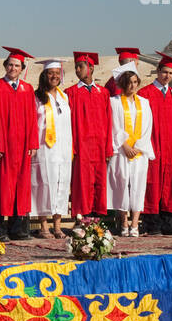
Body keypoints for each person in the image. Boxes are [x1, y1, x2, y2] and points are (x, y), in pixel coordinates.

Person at [0, 47, 39, 241]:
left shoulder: (27, 89)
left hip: (23, 147)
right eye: (10, 64)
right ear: (5, 66)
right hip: (4, 147)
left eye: (16, 65)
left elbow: (32, 118)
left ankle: (19, 229)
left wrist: (33, 143)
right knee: (2, 187)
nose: (13, 68)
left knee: (21, 187)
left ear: (22, 68)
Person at [107, 70, 155, 237]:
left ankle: (135, 223)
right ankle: (124, 222)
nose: (132, 85)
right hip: (121, 150)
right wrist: (124, 145)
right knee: (121, 184)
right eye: (129, 82)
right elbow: (113, 126)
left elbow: (148, 127)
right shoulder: (113, 102)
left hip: (139, 152)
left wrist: (139, 146)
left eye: (135, 82)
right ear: (122, 84)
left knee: (138, 185)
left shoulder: (144, 102)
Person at [65, 51, 112, 220]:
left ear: (91, 68)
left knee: (99, 183)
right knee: (82, 184)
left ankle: (97, 221)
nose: (77, 70)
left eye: (81, 66)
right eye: (76, 67)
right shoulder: (70, 93)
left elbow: (109, 122)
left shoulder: (103, 93)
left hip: (99, 147)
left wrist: (108, 149)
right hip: (81, 146)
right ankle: (81, 219)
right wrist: (72, 148)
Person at [30, 59, 72, 240]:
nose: (54, 76)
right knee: (44, 186)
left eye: (57, 73)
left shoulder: (64, 97)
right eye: (50, 73)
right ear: (44, 75)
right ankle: (44, 226)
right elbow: (32, 123)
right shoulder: (36, 97)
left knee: (61, 186)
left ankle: (58, 226)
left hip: (62, 149)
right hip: (44, 149)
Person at [139, 55, 172, 236]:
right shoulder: (145, 94)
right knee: (152, 184)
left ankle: (168, 223)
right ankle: (151, 224)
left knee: (171, 185)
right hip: (152, 146)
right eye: (164, 72)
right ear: (158, 71)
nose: (167, 76)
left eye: (171, 73)